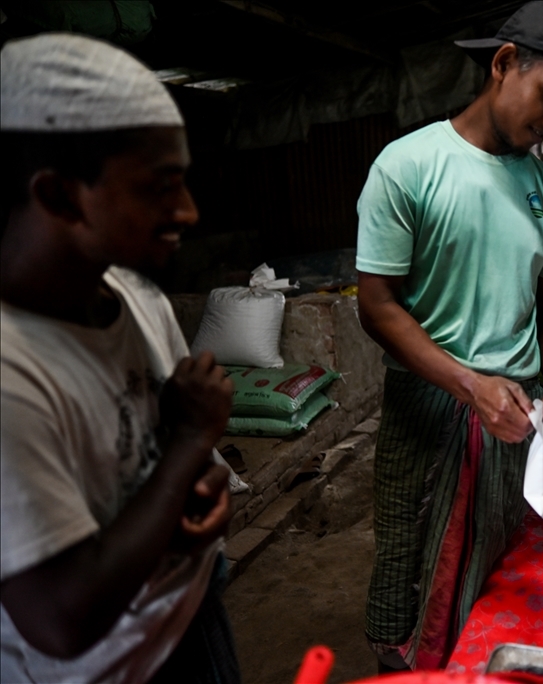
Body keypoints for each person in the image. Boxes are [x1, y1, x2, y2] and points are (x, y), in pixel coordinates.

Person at [355, 0, 543, 671]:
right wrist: (468, 384)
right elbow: (376, 307)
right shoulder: (408, 167)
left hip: (513, 415)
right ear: (502, 65)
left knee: (500, 562)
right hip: (425, 411)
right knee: (407, 570)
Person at [0, 33, 240, 683]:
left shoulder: (135, 298)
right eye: (161, 186)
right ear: (59, 197)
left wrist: (201, 495)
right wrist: (192, 440)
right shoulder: (12, 372)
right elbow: (62, 620)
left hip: (191, 621)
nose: (187, 211)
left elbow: (174, 476)